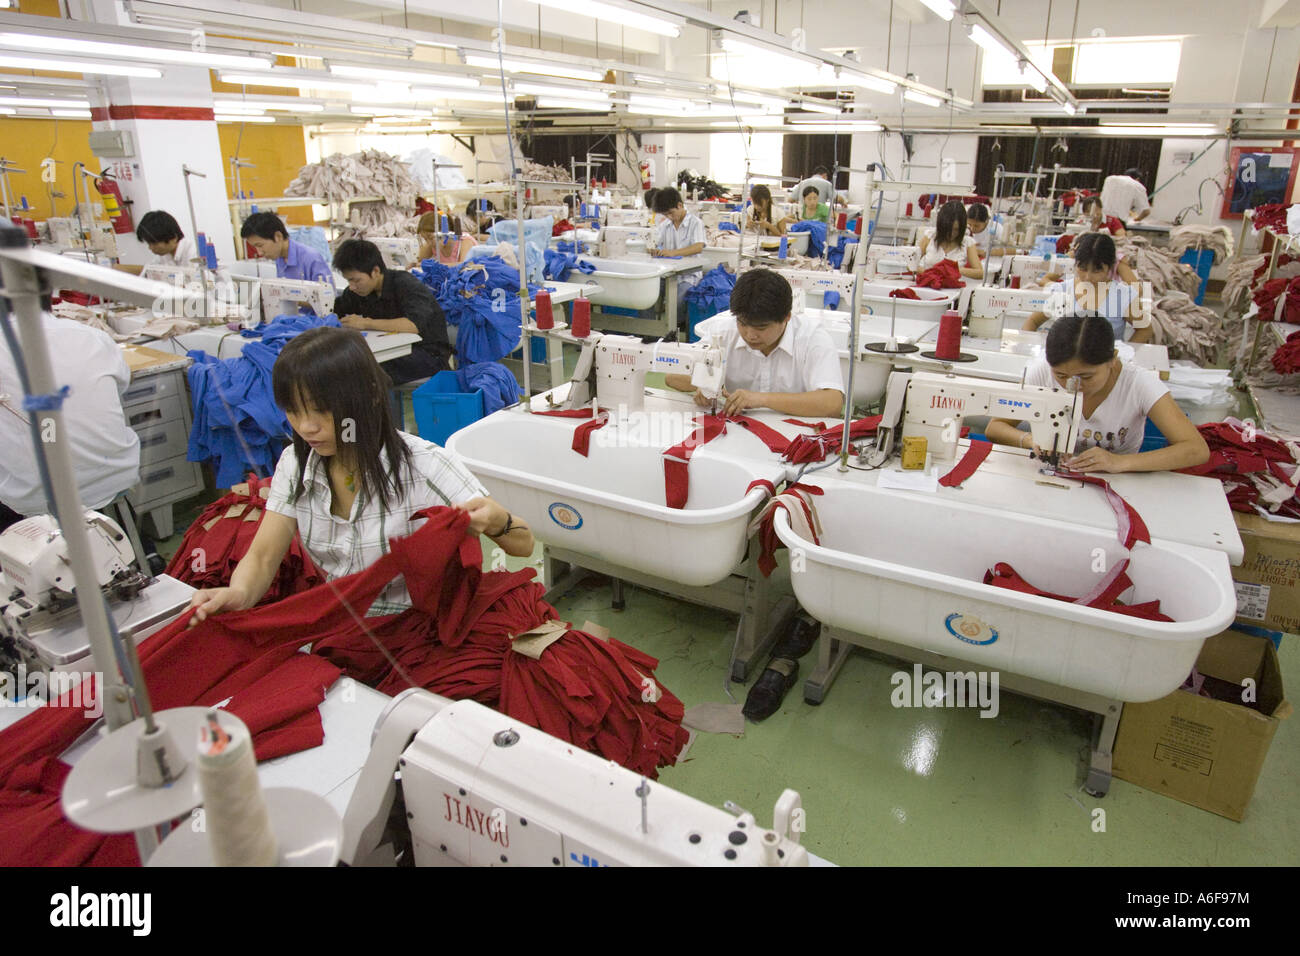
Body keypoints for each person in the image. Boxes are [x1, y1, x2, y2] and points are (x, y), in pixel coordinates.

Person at [184, 326, 533, 624]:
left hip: (417, 629)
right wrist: (238, 593)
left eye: (321, 410)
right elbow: (262, 556)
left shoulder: (425, 467)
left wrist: (497, 521)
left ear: (368, 396)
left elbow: (524, 543)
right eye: (293, 410)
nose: (306, 426)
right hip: (339, 624)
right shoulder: (295, 463)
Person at [986, 314, 1209, 474]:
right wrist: (1030, 440)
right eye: (1061, 375)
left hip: (1118, 485)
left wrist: (1120, 463)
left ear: (1113, 359)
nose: (1072, 384)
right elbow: (995, 427)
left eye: (1086, 377)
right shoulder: (1042, 373)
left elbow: (1195, 449)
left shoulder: (1139, 384)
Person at [0, 305, 140, 531]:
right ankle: (139, 548)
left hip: (38, 498)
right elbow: (121, 384)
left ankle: (28, 558)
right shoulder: (93, 337)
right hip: (114, 475)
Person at [665, 268, 844, 418]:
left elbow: (833, 403)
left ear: (787, 317)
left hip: (794, 435)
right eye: (742, 324)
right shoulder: (722, 332)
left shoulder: (812, 339)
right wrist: (705, 383)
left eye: (761, 327)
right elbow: (671, 376)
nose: (750, 335)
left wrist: (760, 399)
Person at [332, 238, 451, 385]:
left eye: (356, 280)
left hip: (428, 354)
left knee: (363, 372)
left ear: (375, 271)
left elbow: (412, 325)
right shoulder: (357, 292)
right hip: (393, 350)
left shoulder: (405, 285)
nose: (352, 286)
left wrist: (366, 323)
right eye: (348, 281)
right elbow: (334, 313)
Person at [1022, 233, 1149, 343]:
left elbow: (1145, 330)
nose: (1088, 277)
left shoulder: (1123, 296)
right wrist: (1029, 345)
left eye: (1096, 270)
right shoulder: (1063, 290)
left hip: (1103, 366)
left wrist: (1124, 354)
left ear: (1110, 267)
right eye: (1082, 268)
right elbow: (1033, 321)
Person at [240, 212, 334, 285]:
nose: (259, 253)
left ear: (278, 236)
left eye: (260, 245)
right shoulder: (279, 258)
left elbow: (328, 297)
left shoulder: (311, 258)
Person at [918, 200, 983, 279]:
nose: (951, 234)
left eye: (956, 229)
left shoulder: (967, 243)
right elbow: (911, 265)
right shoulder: (930, 236)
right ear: (941, 226)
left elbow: (980, 273)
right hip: (927, 286)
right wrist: (933, 272)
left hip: (952, 289)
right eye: (947, 229)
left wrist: (954, 270)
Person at [650, 187, 705, 258]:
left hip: (690, 267)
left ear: (680, 205)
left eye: (671, 213)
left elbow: (698, 247)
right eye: (665, 215)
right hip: (671, 265)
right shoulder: (665, 225)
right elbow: (657, 242)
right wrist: (656, 250)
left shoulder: (696, 223)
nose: (669, 217)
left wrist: (673, 253)